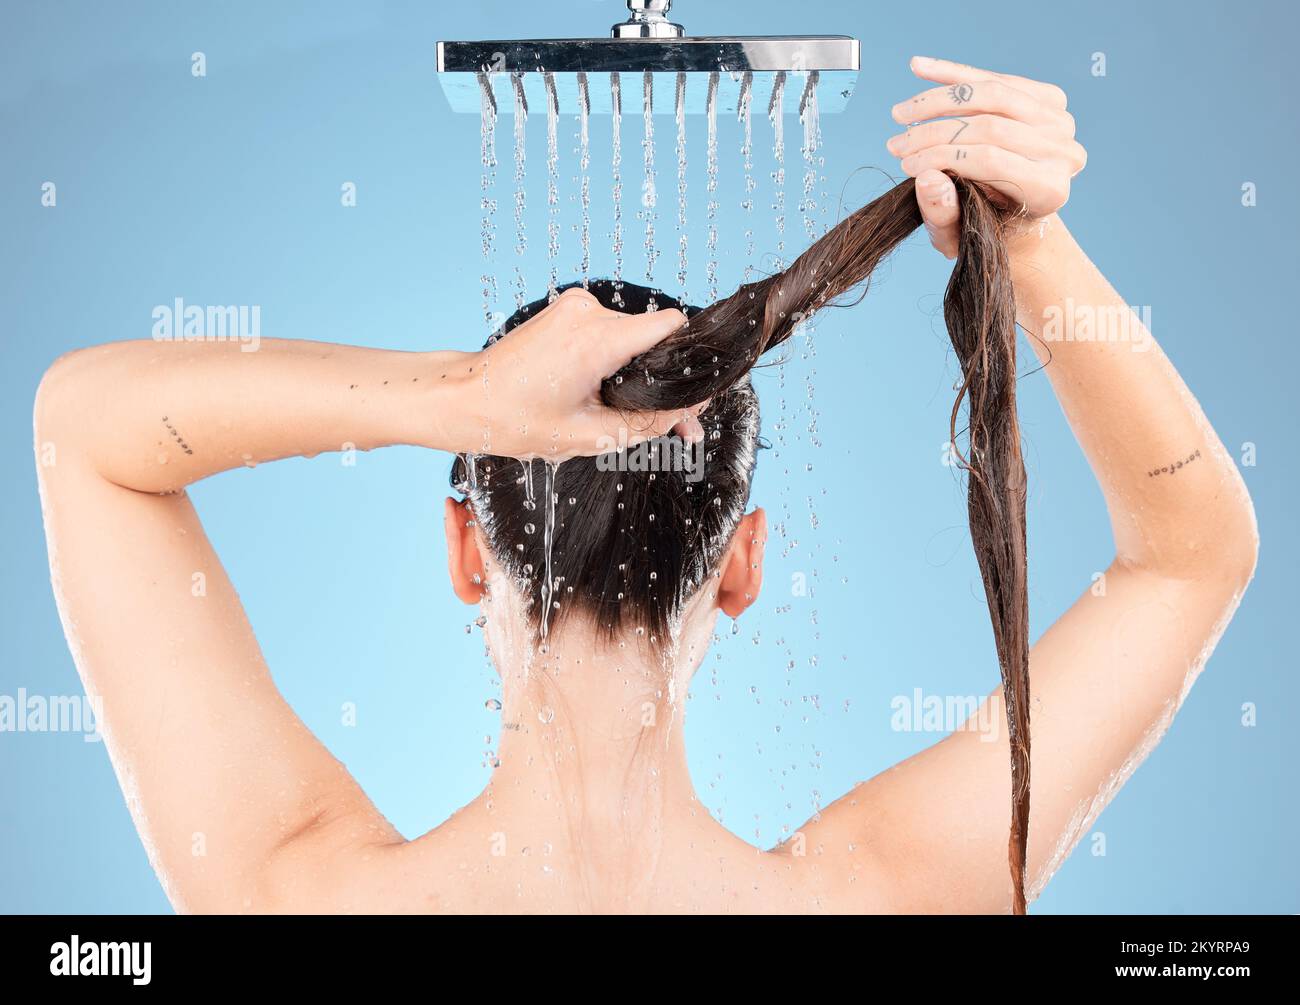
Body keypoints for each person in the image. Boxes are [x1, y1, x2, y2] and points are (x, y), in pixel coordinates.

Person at [33, 57, 1257, 913]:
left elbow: (85, 429)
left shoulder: (288, 891)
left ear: (466, 550)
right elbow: (1188, 555)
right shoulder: (899, 897)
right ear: (742, 564)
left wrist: (461, 399)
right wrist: (1030, 241)